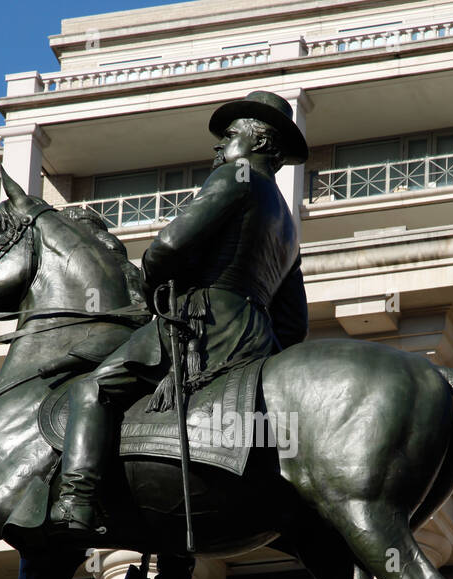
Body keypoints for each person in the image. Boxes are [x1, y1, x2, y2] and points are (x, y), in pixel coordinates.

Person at [49, 90, 309, 538]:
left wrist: (152, 293)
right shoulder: (287, 222)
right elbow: (294, 323)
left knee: (93, 389)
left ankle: (77, 497)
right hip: (255, 338)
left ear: (260, 144)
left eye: (228, 136)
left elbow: (167, 246)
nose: (218, 146)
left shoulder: (236, 176)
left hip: (202, 324)